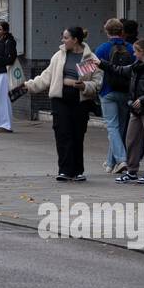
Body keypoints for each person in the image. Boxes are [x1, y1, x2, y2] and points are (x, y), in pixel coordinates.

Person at [18, 26, 103, 182]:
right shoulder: (59, 56)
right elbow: (46, 76)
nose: (62, 41)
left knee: (77, 136)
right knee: (62, 134)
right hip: (60, 100)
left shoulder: (90, 59)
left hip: (80, 101)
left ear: (75, 40)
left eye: (65, 38)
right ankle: (64, 170)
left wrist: (84, 86)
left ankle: (77, 171)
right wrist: (29, 85)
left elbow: (97, 83)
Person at [99, 38, 144, 184]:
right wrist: (102, 64)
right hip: (136, 110)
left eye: (135, 51)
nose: (134, 54)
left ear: (142, 52)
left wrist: (143, 99)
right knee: (132, 139)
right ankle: (132, 171)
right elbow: (119, 70)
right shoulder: (136, 67)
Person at [95, 18, 136, 174]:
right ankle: (110, 163)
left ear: (107, 32)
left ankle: (121, 160)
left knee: (112, 127)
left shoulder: (101, 49)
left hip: (107, 91)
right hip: (126, 92)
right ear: (122, 32)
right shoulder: (131, 48)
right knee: (120, 128)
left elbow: (89, 69)